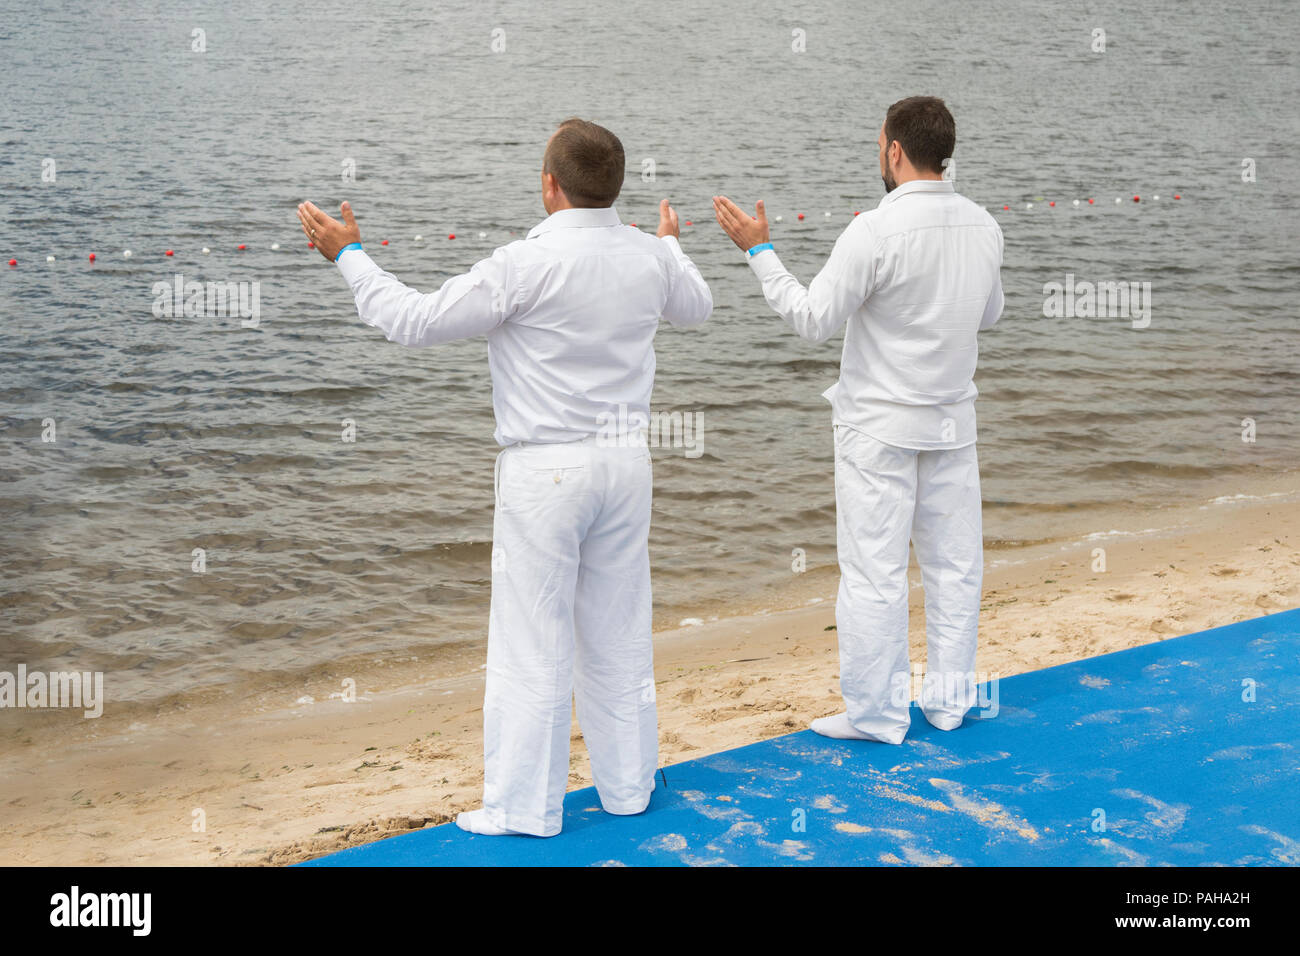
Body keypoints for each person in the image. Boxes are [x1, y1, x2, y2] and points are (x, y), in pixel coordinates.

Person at [297, 117, 713, 835]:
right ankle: (627, 787)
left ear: (550, 186)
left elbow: (414, 321)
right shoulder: (651, 256)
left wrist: (350, 255)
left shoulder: (523, 263)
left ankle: (525, 808)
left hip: (546, 470)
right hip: (625, 464)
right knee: (618, 630)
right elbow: (699, 308)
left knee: (533, 639)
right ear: (614, 188)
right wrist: (671, 239)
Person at [713, 95, 1003, 745]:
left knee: (875, 575)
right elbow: (988, 314)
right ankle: (950, 702)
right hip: (953, 423)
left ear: (894, 150)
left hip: (878, 429)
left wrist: (761, 253)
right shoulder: (984, 224)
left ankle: (876, 716)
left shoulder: (873, 230)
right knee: (955, 566)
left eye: (880, 144)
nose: (879, 153)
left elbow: (813, 319)